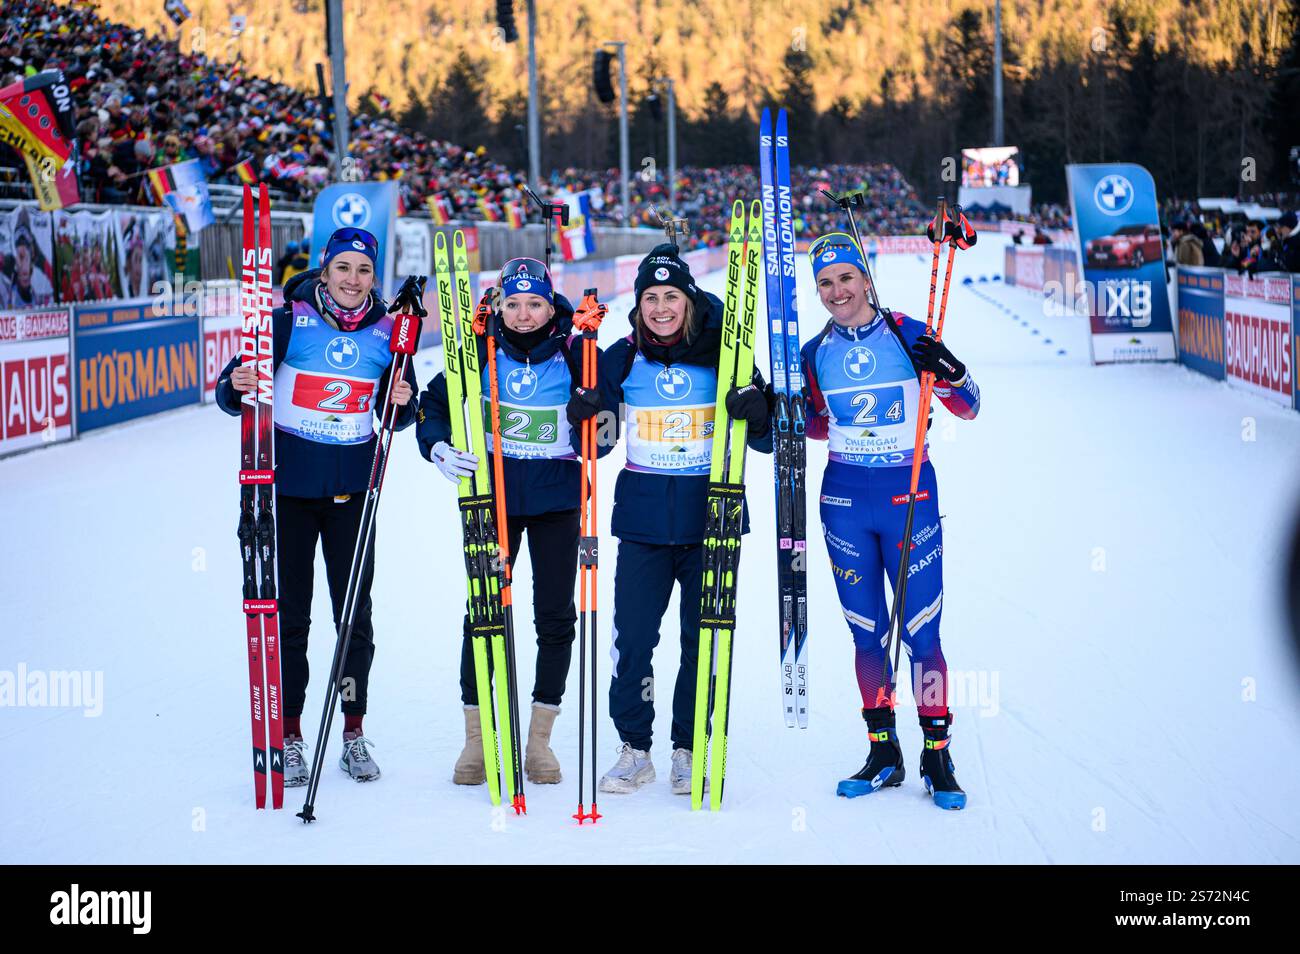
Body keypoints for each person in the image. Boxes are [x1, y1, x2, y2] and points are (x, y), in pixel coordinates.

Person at [215, 226, 418, 786]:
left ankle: (352, 730)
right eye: (344, 269)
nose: (354, 281)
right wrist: (237, 383)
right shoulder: (286, 321)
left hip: (354, 496)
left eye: (364, 271)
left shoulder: (390, 332)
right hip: (289, 494)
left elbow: (397, 414)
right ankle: (292, 733)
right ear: (325, 271)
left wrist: (402, 402)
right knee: (292, 619)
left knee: (354, 618)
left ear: (374, 278)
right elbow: (228, 395)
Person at [580, 243, 773, 796]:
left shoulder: (726, 352)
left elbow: (761, 439)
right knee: (634, 639)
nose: (660, 307)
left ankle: (687, 747)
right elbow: (596, 447)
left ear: (690, 301)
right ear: (637, 304)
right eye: (649, 297)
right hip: (641, 524)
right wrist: (586, 418)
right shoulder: (619, 357)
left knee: (702, 640)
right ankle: (635, 748)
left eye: (671, 296)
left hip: (713, 518)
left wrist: (760, 410)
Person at [800, 232, 981, 810]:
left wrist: (947, 370)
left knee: (922, 634)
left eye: (846, 278)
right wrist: (785, 408)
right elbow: (818, 426)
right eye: (825, 283)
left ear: (866, 279)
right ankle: (884, 752)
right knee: (866, 634)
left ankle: (937, 754)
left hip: (910, 495)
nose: (836, 292)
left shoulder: (909, 333)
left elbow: (970, 403)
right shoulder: (813, 353)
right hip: (845, 500)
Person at [417, 258, 600, 787]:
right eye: (512, 304)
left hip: (557, 502)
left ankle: (539, 739)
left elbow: (606, 430)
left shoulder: (576, 351)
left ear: (551, 305)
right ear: (497, 305)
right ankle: (477, 738)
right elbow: (433, 407)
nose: (523, 315)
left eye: (535, 304)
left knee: (554, 616)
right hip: (490, 500)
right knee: (484, 611)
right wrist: (437, 448)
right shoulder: (475, 349)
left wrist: (593, 413)